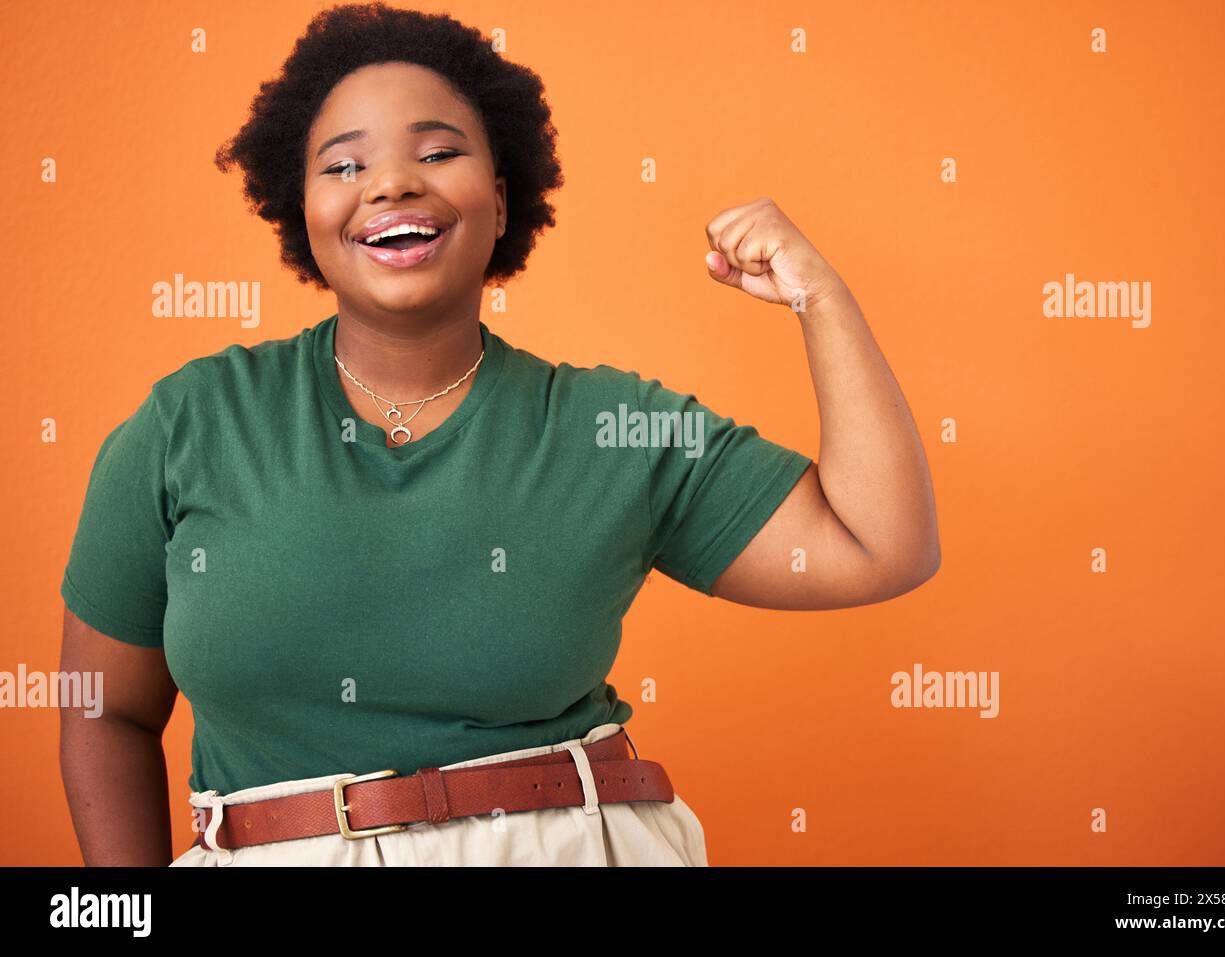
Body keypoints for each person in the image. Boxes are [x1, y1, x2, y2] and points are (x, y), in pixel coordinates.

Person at [58, 3, 940, 867]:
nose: (393, 183)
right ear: (301, 209)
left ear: (503, 196)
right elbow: (103, 711)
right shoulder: (189, 422)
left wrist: (820, 300)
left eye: (439, 152)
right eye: (343, 165)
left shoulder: (613, 428)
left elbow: (880, 545)